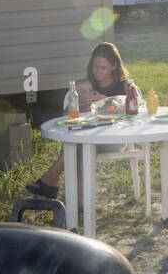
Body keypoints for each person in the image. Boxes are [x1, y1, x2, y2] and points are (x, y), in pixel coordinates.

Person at [26, 42, 141, 199]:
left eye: (103, 68)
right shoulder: (86, 85)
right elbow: (65, 115)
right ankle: (79, 205)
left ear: (114, 66)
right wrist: (82, 105)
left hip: (114, 138)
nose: (98, 72)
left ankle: (51, 182)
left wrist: (106, 101)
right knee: (79, 144)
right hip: (89, 137)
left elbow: (137, 109)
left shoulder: (124, 86)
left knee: (78, 143)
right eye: (95, 66)